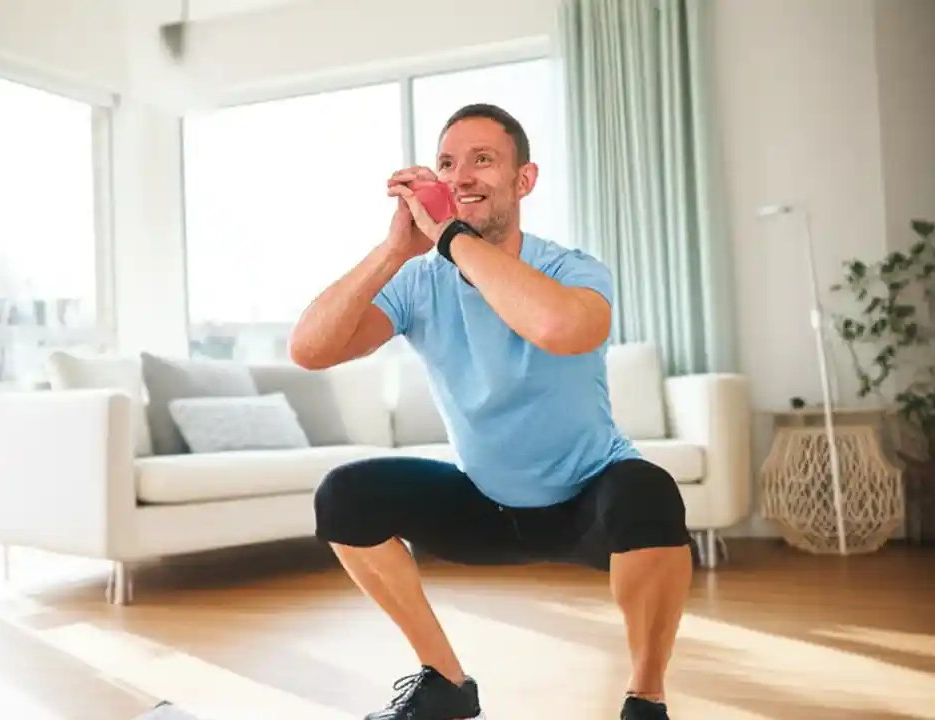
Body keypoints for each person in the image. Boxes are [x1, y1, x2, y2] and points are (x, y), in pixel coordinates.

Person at [288, 103, 694, 720]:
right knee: (345, 495)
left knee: (651, 494)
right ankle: (446, 684)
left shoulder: (570, 268)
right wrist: (393, 250)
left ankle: (646, 699)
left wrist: (451, 240)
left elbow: (559, 326)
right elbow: (309, 349)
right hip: (488, 505)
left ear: (523, 180)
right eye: (447, 163)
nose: (460, 176)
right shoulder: (419, 282)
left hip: (590, 503)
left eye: (483, 160)